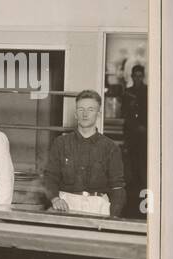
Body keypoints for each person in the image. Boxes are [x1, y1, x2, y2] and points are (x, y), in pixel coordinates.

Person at [41, 89, 126, 217]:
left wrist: (113, 216)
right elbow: (50, 177)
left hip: (98, 207)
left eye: (91, 109)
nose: (85, 114)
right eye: (81, 109)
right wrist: (55, 199)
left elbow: (117, 188)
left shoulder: (110, 147)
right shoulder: (61, 143)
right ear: (75, 114)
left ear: (98, 114)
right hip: (66, 205)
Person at [121, 63, 148, 217]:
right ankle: (132, 205)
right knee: (130, 169)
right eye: (135, 76)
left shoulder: (148, 91)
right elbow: (124, 113)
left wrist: (144, 127)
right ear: (131, 77)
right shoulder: (128, 92)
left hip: (144, 137)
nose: (137, 79)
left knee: (143, 168)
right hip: (132, 136)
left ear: (142, 77)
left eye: (140, 76)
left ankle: (142, 205)